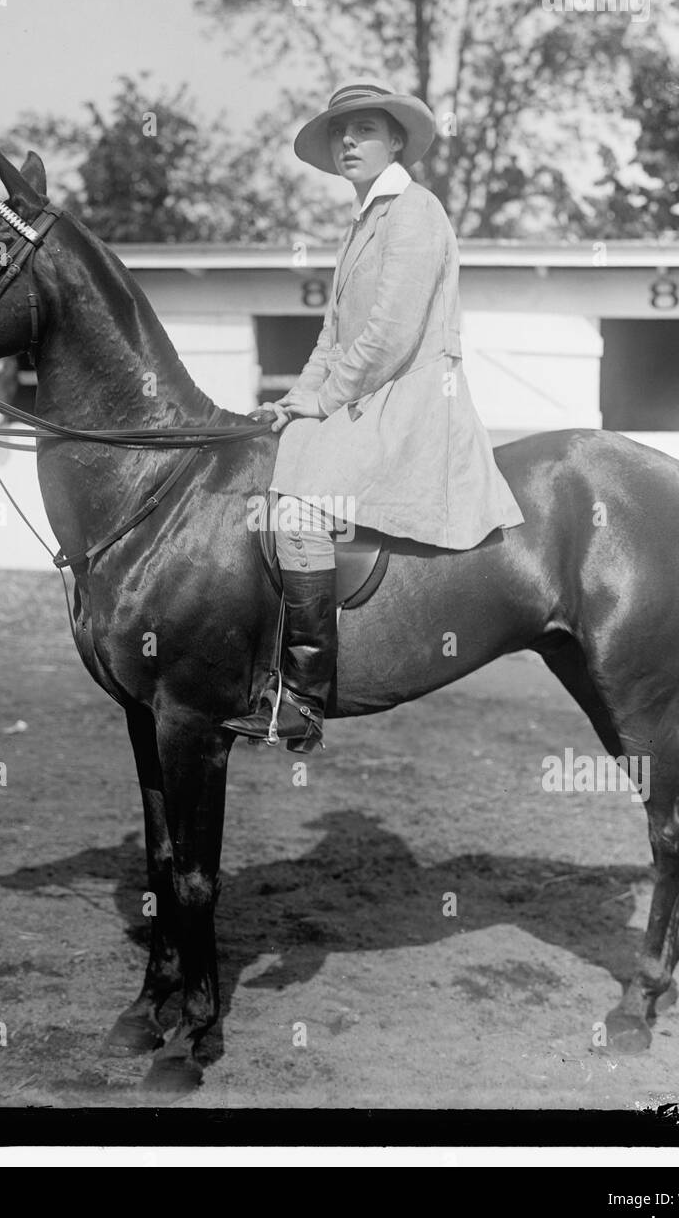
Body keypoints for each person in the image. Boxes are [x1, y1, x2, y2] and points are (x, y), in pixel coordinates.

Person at [222, 77, 525, 753]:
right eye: (339, 131)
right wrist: (295, 402)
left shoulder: (414, 211)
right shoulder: (361, 223)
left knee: (301, 500)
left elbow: (389, 334)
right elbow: (332, 336)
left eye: (363, 128)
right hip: (371, 394)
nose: (348, 140)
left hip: (414, 398)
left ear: (395, 139)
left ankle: (302, 697)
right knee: (283, 451)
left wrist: (325, 403)